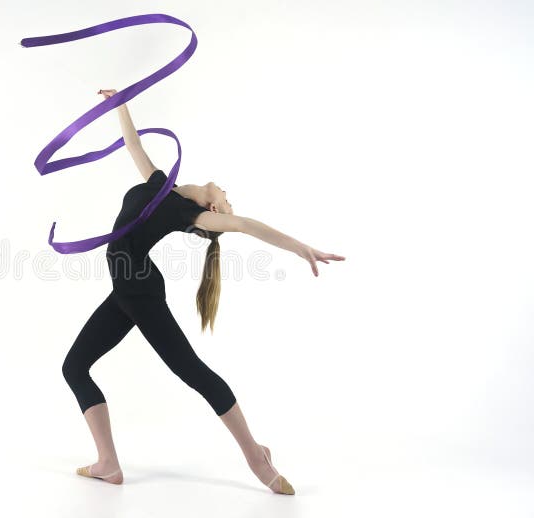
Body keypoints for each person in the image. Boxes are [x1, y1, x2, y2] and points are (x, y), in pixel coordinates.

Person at [62, 89, 346, 494]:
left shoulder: (188, 213)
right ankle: (107, 463)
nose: (227, 195)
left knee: (191, 371)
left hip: (138, 289)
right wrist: (121, 104)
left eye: (227, 202)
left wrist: (301, 248)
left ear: (213, 212)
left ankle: (255, 457)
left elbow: (246, 225)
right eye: (230, 198)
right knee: (74, 367)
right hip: (129, 287)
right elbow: (134, 146)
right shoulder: (163, 187)